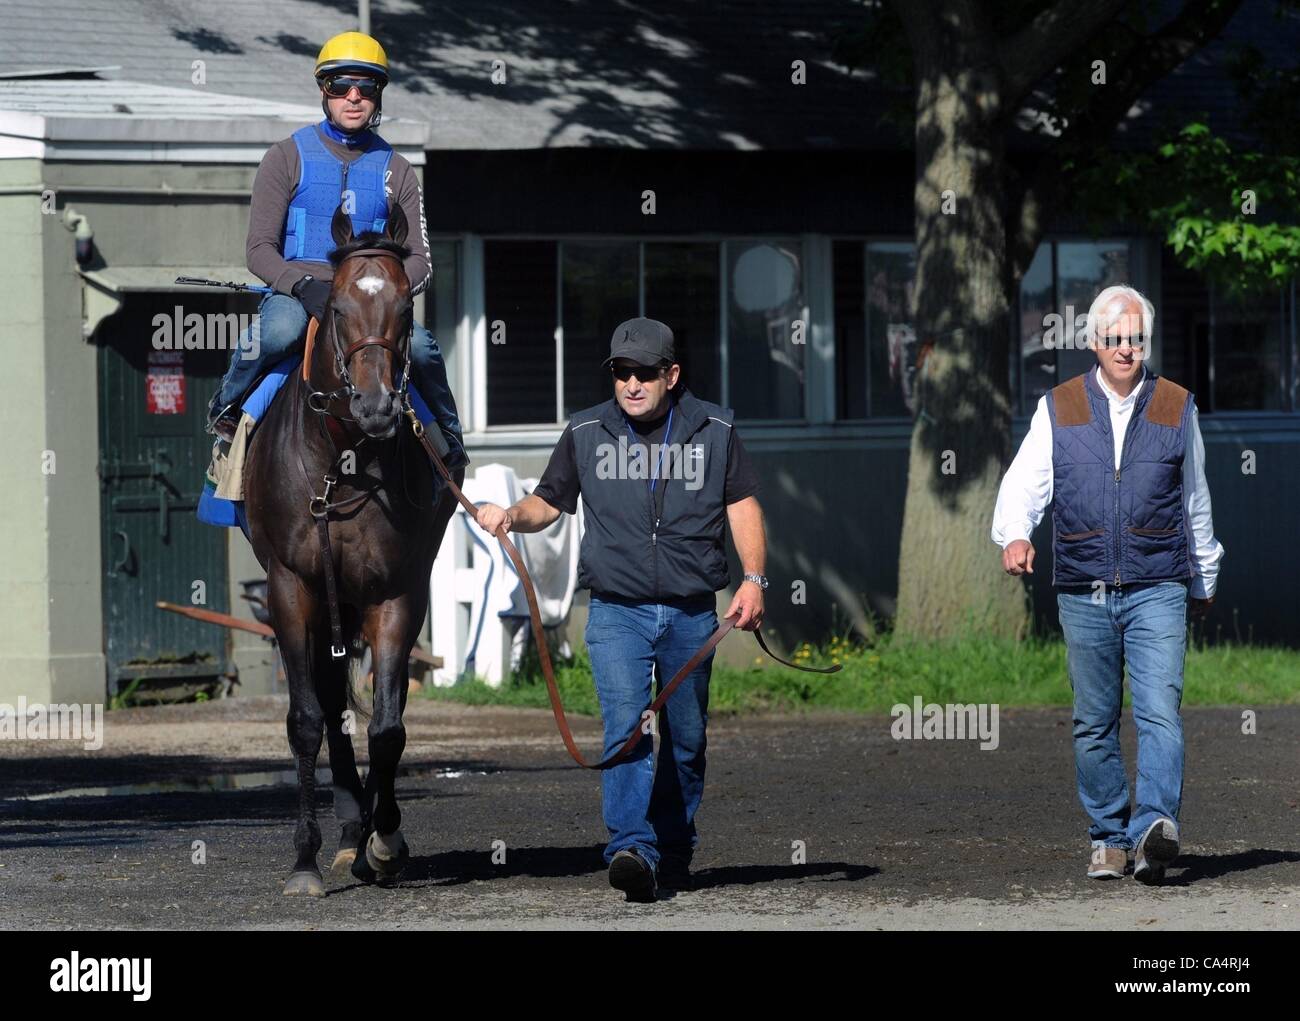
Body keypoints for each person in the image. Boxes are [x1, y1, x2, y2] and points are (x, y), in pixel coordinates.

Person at [475, 318, 767, 902]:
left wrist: (754, 578)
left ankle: (676, 847)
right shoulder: (585, 431)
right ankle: (633, 848)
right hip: (616, 613)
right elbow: (549, 502)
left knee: (686, 741)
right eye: (621, 373)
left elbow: (742, 505)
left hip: (691, 613)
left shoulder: (714, 429)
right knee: (627, 730)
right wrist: (510, 513)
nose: (632, 384)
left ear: (672, 374)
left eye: (645, 373)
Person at [992, 284, 1224, 884]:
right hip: (1084, 587)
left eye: (1135, 339)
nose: (1126, 350)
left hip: (1159, 583)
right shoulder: (1061, 405)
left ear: (1146, 343)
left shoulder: (1175, 405)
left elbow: (1195, 498)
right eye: (1115, 339)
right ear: (1094, 342)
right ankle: (1108, 838)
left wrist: (1205, 575)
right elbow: (1024, 484)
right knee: (1094, 721)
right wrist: (1016, 535)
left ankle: (1154, 833)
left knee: (1159, 713)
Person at [206, 31, 465, 467]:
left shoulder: (398, 171)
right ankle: (227, 411)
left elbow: (421, 259)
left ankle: (450, 438)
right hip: (299, 293)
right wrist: (301, 285)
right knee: (276, 334)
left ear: (378, 96)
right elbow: (259, 249)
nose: (353, 97)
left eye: (366, 87)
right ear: (323, 91)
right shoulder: (285, 157)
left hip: (371, 302)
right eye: (339, 85)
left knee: (421, 348)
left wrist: (392, 291)